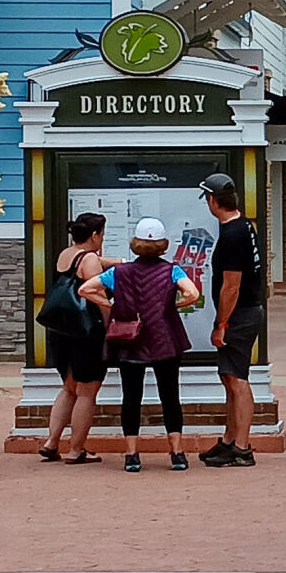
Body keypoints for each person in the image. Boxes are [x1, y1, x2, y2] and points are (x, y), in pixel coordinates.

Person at [79, 218, 202, 472]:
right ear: (162, 244)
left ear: (135, 243)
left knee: (131, 397)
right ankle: (177, 453)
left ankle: (132, 454)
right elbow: (193, 293)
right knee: (170, 396)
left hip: (129, 340)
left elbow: (86, 289)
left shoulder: (118, 273)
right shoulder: (172, 271)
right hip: (165, 340)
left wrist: (110, 304)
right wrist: (174, 306)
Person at [38, 212, 120, 464]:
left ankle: (52, 442)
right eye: (102, 234)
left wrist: (119, 261)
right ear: (95, 235)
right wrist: (110, 327)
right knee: (87, 391)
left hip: (61, 331)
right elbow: (100, 297)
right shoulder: (90, 260)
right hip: (86, 332)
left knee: (69, 387)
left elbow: (90, 261)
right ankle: (76, 449)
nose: (102, 239)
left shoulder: (66, 254)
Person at [197, 173, 263, 468]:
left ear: (212, 200)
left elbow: (231, 286)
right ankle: (229, 440)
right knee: (228, 377)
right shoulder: (243, 225)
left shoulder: (233, 234)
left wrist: (221, 324)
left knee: (237, 379)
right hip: (245, 311)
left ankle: (242, 447)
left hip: (240, 314)